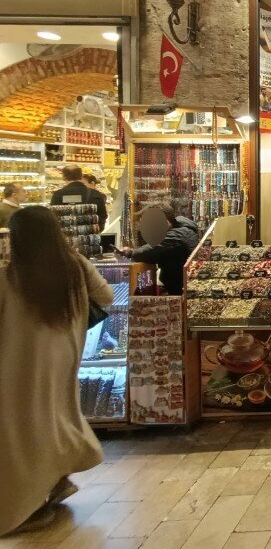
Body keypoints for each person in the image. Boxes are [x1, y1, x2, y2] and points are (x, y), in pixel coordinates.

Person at [0, 206, 113, 535]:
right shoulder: (75, 267)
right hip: (63, 359)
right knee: (58, 417)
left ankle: (27, 505)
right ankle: (57, 478)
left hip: (16, 365)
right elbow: (105, 295)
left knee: (21, 433)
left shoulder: (9, 275)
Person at [119, 202, 199, 295]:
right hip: (181, 290)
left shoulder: (177, 236)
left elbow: (144, 252)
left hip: (181, 293)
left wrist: (130, 252)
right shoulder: (183, 231)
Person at [51, 165, 107, 230]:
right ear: (81, 176)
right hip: (90, 236)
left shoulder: (58, 194)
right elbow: (103, 216)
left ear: (64, 177)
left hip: (66, 236)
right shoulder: (95, 194)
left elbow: (53, 218)